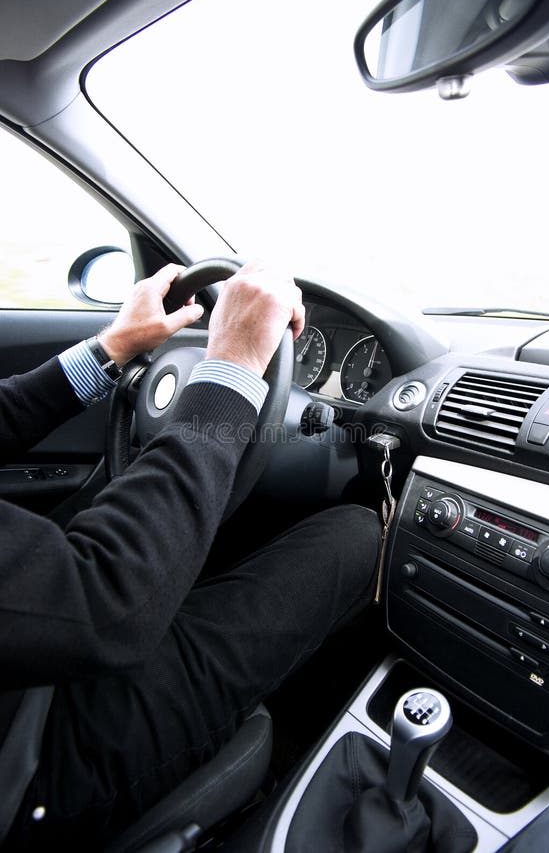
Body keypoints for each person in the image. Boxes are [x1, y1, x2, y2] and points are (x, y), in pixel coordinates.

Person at [0, 261, 382, 851]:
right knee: (356, 536)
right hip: (29, 757)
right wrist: (231, 370)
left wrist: (114, 346)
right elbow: (104, 600)